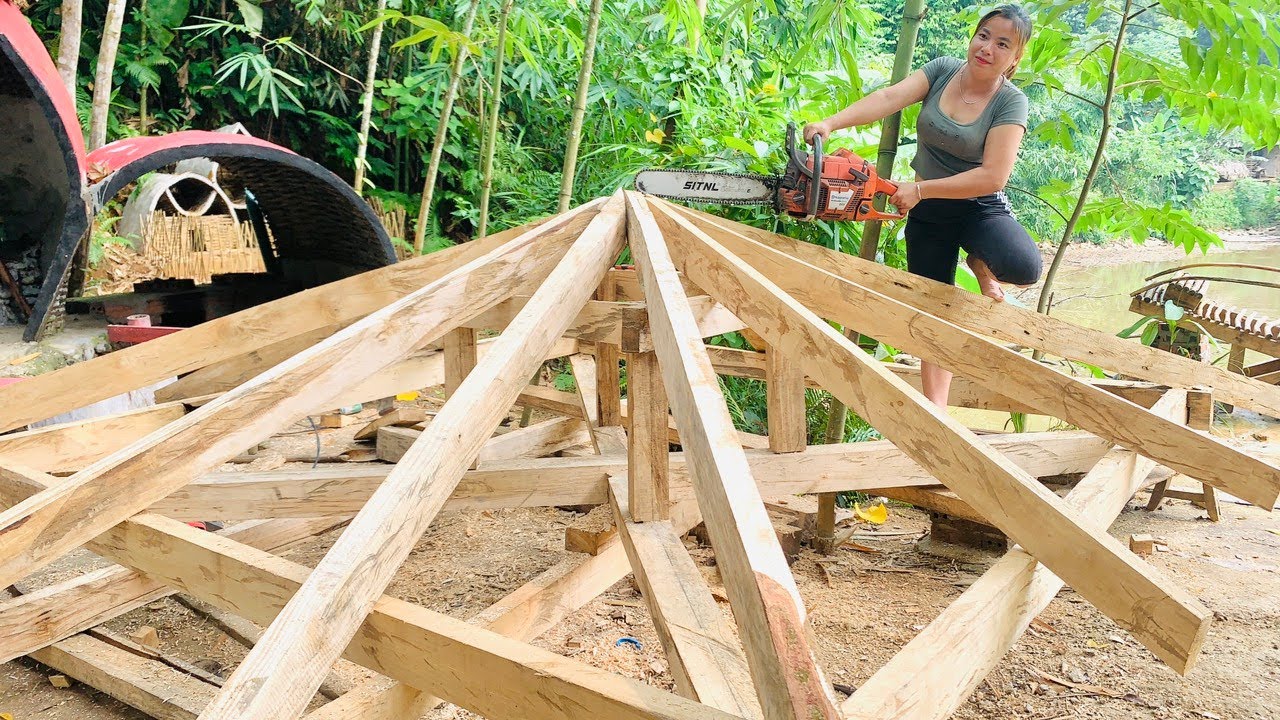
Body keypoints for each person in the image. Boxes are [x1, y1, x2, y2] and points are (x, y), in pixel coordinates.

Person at [803, 4, 1040, 408]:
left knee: (1024, 266)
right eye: (983, 36)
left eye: (1002, 44)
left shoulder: (1010, 102)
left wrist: (923, 189)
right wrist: (831, 123)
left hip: (979, 206)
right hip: (929, 213)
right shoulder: (944, 69)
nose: (987, 48)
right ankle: (937, 411)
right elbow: (889, 97)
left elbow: (993, 176)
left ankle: (978, 262)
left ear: (1015, 58)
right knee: (933, 311)